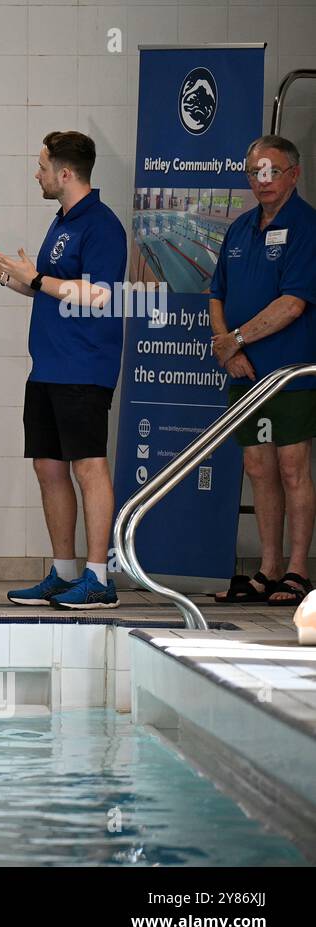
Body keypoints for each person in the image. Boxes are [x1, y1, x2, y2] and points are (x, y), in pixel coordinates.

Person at [0, 131, 128, 610]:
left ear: (65, 172)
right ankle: (64, 571)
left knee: (88, 466)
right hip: (49, 368)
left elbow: (98, 294)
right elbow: (50, 289)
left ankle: (99, 577)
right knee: (48, 467)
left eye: (41, 166)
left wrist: (34, 275)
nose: (36, 173)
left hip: (84, 367)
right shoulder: (62, 221)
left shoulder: (101, 226)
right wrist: (4, 274)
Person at [209, 135, 316, 606]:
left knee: (293, 467)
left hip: (290, 372)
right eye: (255, 172)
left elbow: (292, 304)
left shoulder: (306, 227)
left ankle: (297, 570)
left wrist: (238, 338)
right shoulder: (240, 229)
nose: (264, 180)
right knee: (257, 466)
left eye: (273, 171)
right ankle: (268, 569)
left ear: (293, 173)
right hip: (244, 372)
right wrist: (227, 348)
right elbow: (217, 294)